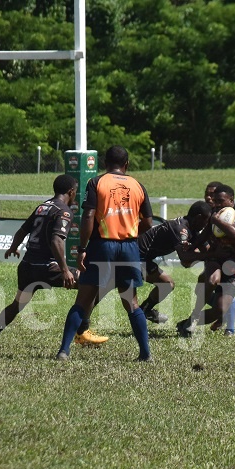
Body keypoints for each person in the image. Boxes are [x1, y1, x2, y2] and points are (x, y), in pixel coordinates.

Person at [0, 174, 108, 348]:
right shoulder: (64, 211)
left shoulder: (42, 207)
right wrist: (65, 270)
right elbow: (57, 241)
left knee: (17, 305)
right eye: (75, 192)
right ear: (71, 192)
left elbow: (22, 230)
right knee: (93, 284)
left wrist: (13, 247)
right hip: (48, 267)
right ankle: (82, 332)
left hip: (27, 267)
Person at [56, 146, 154, 361]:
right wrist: (130, 231)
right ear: (126, 164)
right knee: (132, 302)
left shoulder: (97, 182)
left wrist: (82, 248)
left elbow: (89, 215)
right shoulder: (138, 185)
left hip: (102, 246)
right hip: (129, 247)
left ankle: (64, 351)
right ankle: (145, 354)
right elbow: (148, 222)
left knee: (83, 300)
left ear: (104, 163)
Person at [177, 183, 235, 337]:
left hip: (234, 267)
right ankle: (195, 315)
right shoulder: (214, 214)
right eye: (215, 201)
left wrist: (216, 221)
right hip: (216, 259)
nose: (216, 204)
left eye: (220, 201)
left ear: (231, 200)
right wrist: (190, 250)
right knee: (211, 280)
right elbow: (204, 236)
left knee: (220, 310)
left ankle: (187, 322)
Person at [138, 200, 213, 324]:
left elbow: (206, 251)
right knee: (166, 284)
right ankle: (143, 310)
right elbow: (185, 258)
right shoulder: (180, 228)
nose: (206, 225)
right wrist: (208, 255)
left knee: (166, 284)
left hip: (143, 259)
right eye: (206, 221)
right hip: (133, 257)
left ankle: (144, 310)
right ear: (199, 218)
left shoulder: (192, 231)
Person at [203, 181, 235, 337]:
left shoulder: (230, 214)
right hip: (213, 257)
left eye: (213, 195)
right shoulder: (208, 213)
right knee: (205, 287)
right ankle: (221, 314)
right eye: (207, 194)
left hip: (230, 260)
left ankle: (230, 327)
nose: (210, 198)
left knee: (225, 290)